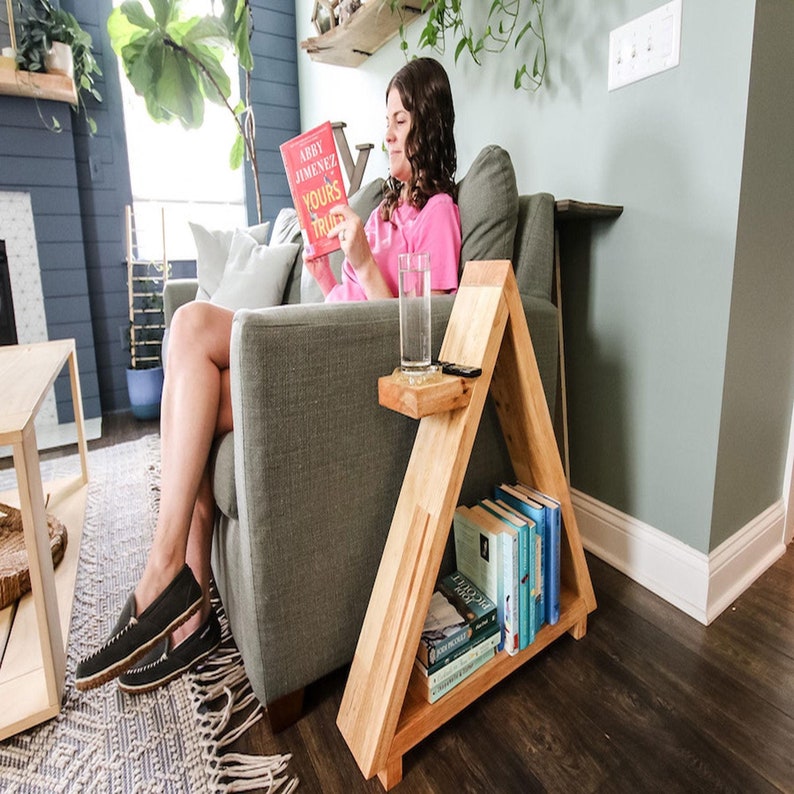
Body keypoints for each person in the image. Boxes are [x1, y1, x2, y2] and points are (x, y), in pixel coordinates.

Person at [75, 56, 461, 693]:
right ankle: (187, 605)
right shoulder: (385, 211)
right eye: (386, 119)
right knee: (190, 365)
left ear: (430, 124)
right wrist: (330, 268)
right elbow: (348, 302)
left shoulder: (439, 213)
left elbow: (426, 331)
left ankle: (169, 578)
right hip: (319, 338)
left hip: (341, 366)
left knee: (192, 339)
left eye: (400, 119)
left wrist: (365, 265)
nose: (389, 132)